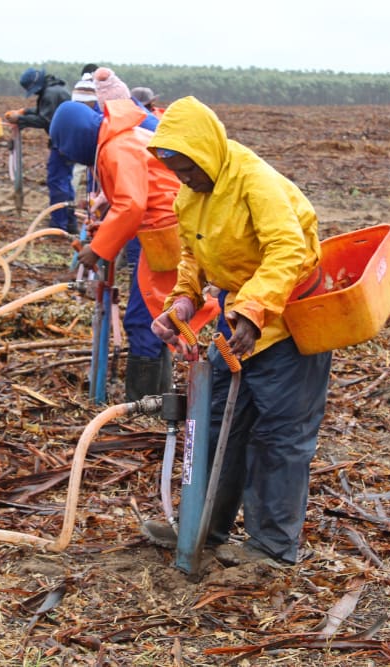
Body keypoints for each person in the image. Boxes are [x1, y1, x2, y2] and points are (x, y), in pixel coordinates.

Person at [147, 96, 332, 568]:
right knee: (213, 427)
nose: (182, 179)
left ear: (207, 152)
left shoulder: (255, 180)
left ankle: (270, 548)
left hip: (287, 320)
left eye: (188, 168)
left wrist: (253, 312)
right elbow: (192, 254)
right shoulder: (190, 195)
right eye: (176, 171)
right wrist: (184, 300)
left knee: (279, 435)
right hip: (236, 322)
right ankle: (202, 525)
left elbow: (287, 249)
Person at [49, 99, 217, 400]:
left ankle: (142, 406)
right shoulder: (120, 138)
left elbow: (132, 205)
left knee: (147, 319)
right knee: (158, 313)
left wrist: (97, 249)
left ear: (73, 138)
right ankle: (158, 398)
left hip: (164, 232)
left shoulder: (116, 146)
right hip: (164, 229)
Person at [5, 68, 76, 232]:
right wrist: (25, 112)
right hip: (68, 142)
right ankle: (70, 223)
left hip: (62, 144)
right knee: (65, 182)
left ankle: (58, 224)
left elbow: (44, 119)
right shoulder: (56, 89)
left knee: (57, 182)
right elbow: (43, 111)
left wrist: (20, 119)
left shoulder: (50, 93)